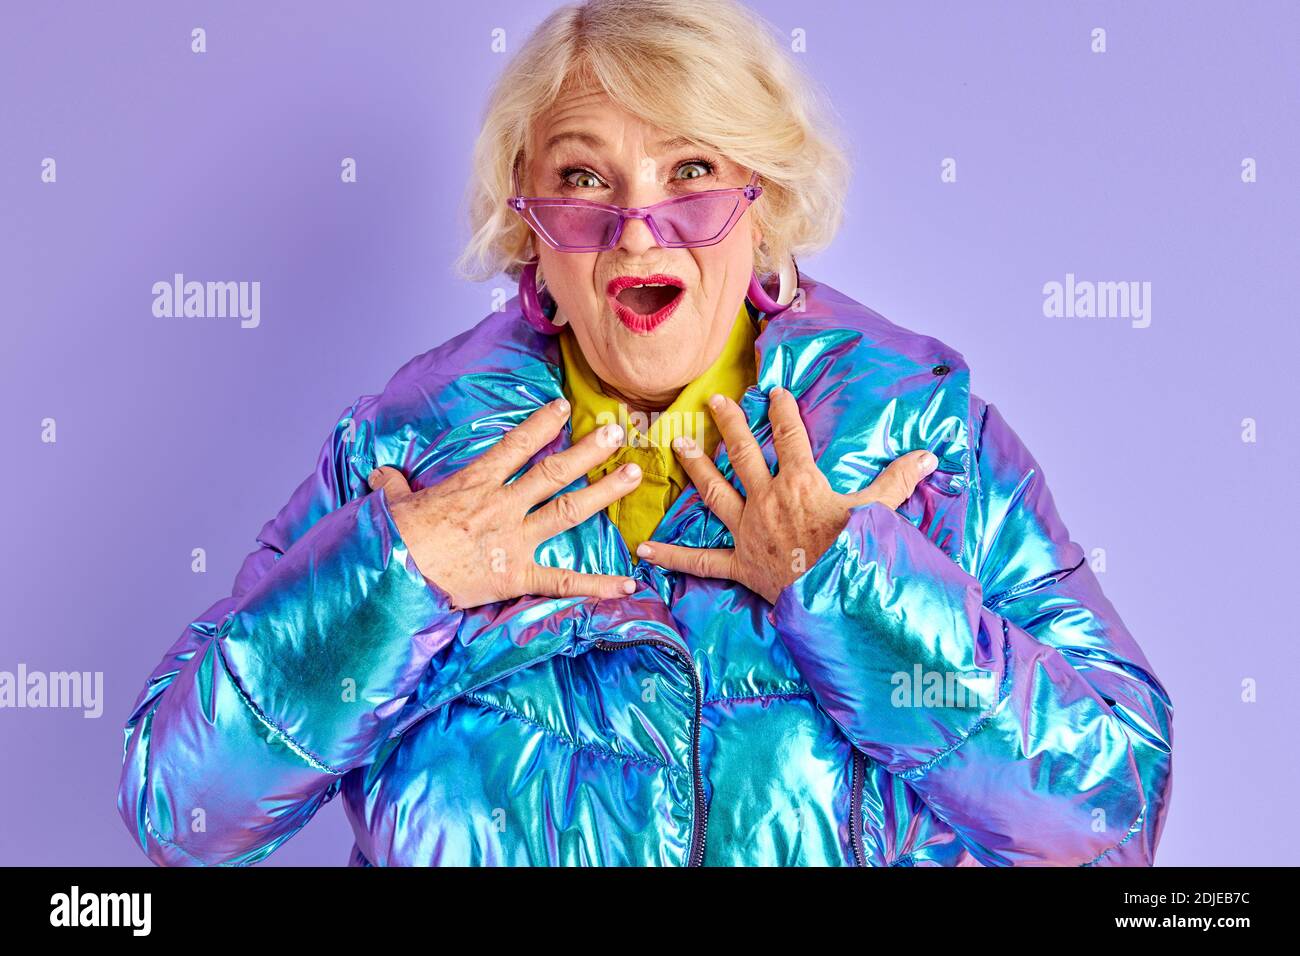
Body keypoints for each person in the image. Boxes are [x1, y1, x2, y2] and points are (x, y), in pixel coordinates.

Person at [117, 0, 1172, 866]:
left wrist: (852, 585)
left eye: (692, 175)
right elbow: (181, 807)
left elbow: (1107, 814)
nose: (636, 228)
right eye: (582, 179)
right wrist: (399, 578)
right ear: (527, 223)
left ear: (766, 203)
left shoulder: (926, 444)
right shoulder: (403, 457)